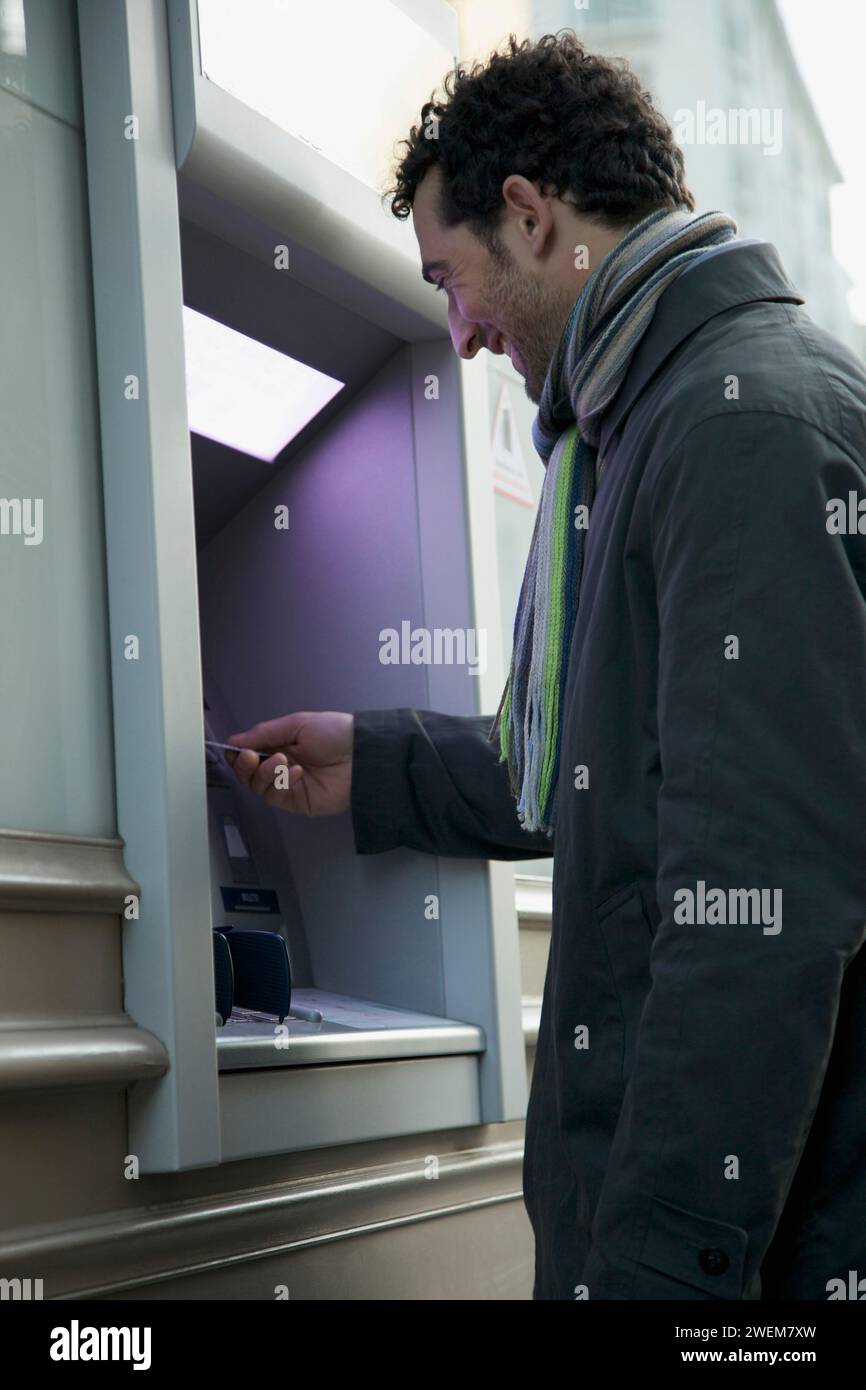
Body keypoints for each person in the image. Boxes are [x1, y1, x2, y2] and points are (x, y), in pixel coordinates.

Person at [226, 33, 866, 1300]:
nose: (456, 333)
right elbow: (625, 757)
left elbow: (760, 909)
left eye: (449, 280)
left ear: (526, 216)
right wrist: (382, 758)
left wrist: (651, 1270)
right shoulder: (667, 414)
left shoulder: (735, 425)